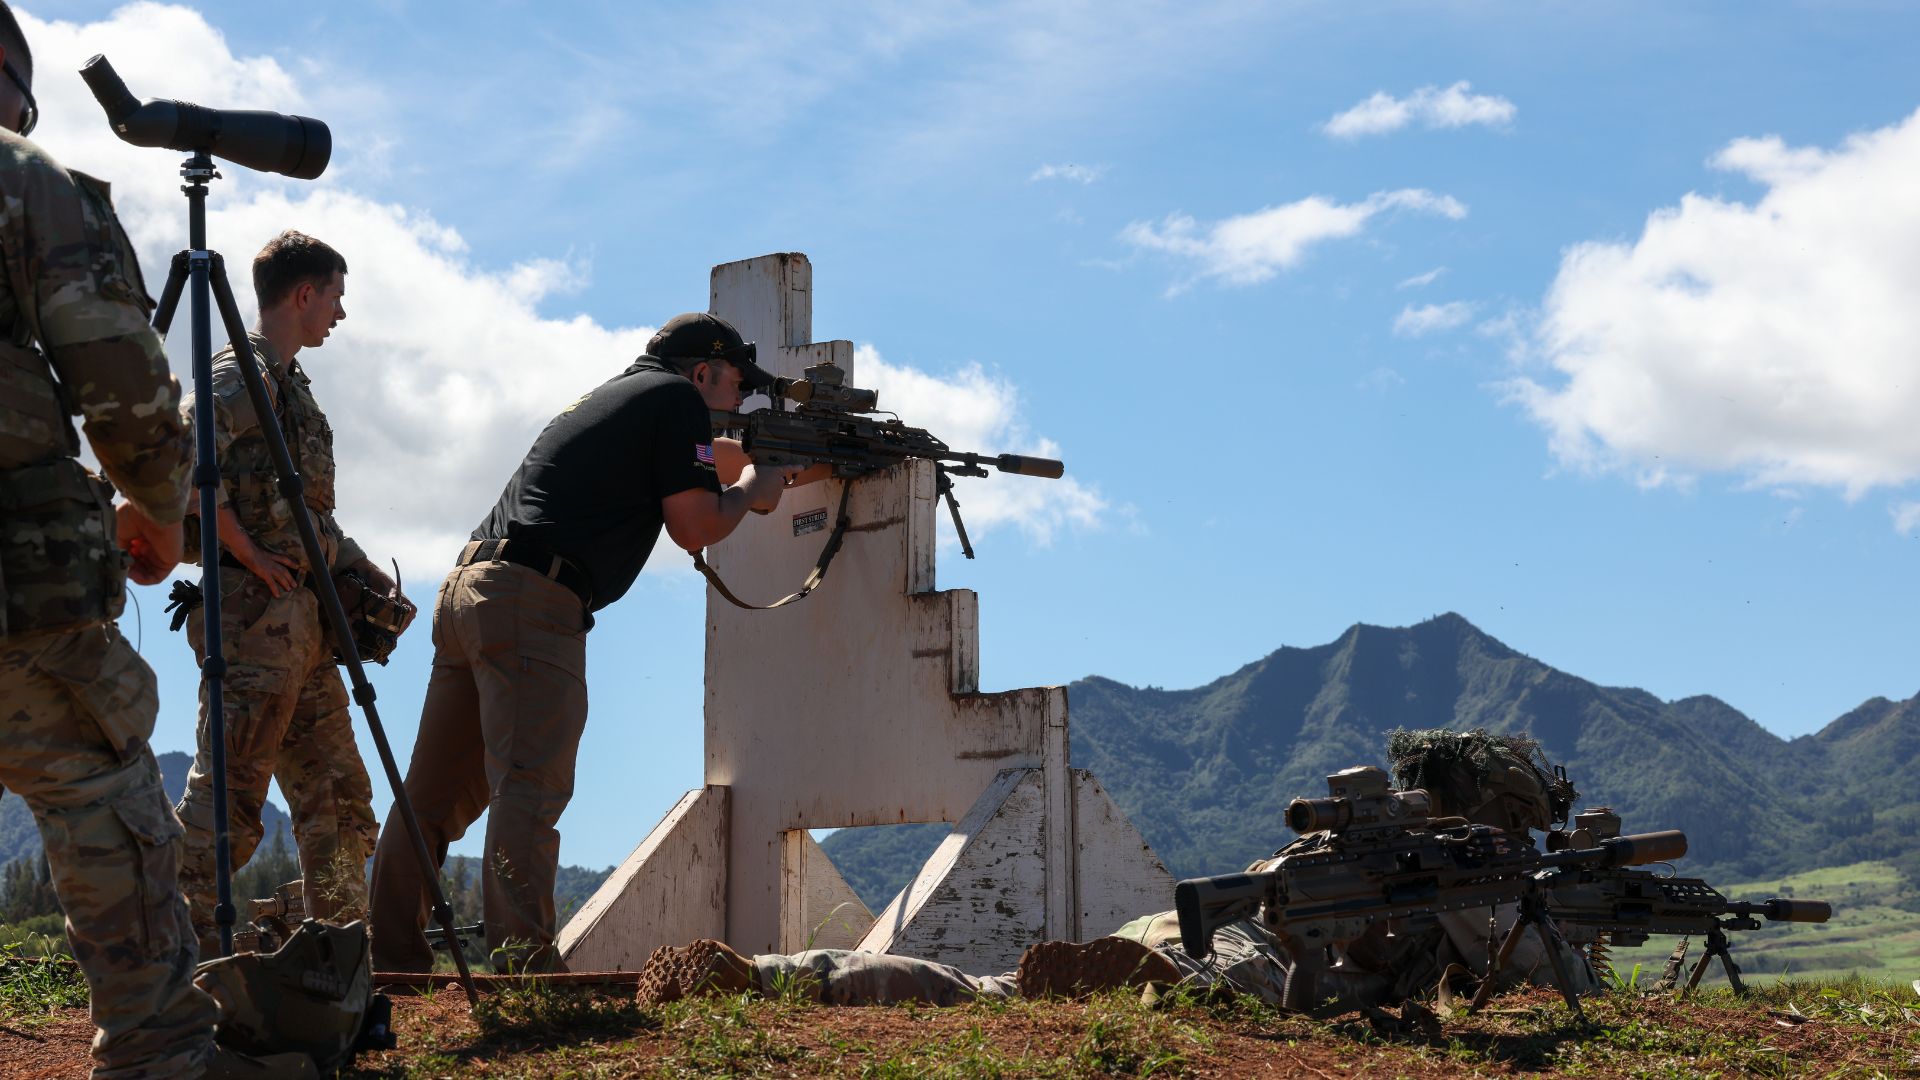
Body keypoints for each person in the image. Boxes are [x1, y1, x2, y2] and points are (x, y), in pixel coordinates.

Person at [0, 7, 310, 1075]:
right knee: (98, 793)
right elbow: (123, 383)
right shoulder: (19, 179)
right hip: (18, 594)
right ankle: (161, 1053)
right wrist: (152, 501)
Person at [369, 312, 806, 973]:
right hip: (530, 601)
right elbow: (695, 525)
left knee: (430, 796)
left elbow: (694, 462)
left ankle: (394, 962)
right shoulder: (679, 400)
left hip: (473, 589)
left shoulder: (627, 395)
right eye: (736, 386)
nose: (738, 402)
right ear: (702, 372)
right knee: (529, 784)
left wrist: (758, 461)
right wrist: (753, 488)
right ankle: (525, 970)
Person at [635, 731, 1597, 1013]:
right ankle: (1136, 984)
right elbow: (1553, 983)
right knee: (1013, 1001)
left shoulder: (1352, 843)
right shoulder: (1469, 879)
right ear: (1505, 822)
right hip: (1243, 964)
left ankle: (771, 973)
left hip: (1161, 934)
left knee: (992, 991)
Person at [174, 230, 402, 958]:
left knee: (339, 800)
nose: (340, 313)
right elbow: (181, 457)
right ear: (304, 294)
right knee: (229, 805)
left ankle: (331, 969)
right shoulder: (239, 374)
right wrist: (241, 548)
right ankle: (163, 966)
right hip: (251, 619)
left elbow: (308, 510)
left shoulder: (288, 383)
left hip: (303, 627)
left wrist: (358, 566)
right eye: (336, 296)